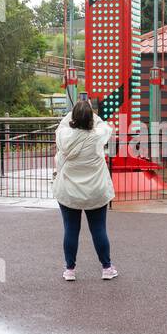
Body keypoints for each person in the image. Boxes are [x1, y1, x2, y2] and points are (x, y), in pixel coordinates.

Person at [52, 97, 118, 281]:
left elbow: (62, 125)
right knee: (99, 229)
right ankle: (106, 268)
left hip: (69, 191)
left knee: (71, 229)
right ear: (90, 118)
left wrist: (76, 111)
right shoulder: (98, 136)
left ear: (73, 117)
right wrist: (89, 110)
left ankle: (70, 270)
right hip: (95, 191)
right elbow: (103, 124)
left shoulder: (64, 136)